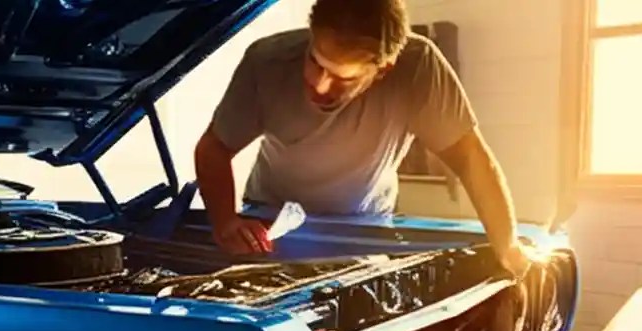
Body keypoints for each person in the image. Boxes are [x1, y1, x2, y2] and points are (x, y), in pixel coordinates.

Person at [193, 0, 533, 278]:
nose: (320, 85)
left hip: (366, 229)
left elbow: (470, 158)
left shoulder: (419, 68)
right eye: (316, 62)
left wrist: (508, 246)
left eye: (342, 78)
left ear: (383, 70)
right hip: (272, 223)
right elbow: (214, 148)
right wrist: (225, 221)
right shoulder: (266, 62)